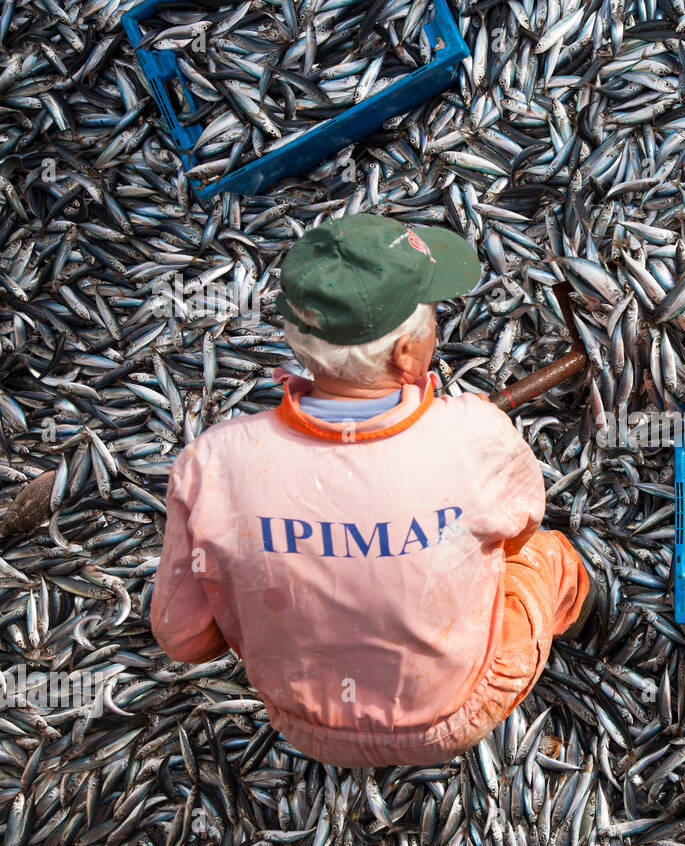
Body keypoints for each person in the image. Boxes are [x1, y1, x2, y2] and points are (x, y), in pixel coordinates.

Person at [149, 213, 592, 767]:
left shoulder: (210, 462)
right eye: (431, 324)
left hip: (304, 725)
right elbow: (520, 528)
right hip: (455, 713)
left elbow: (184, 638)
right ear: (407, 356)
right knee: (547, 557)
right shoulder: (476, 437)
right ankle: (595, 620)